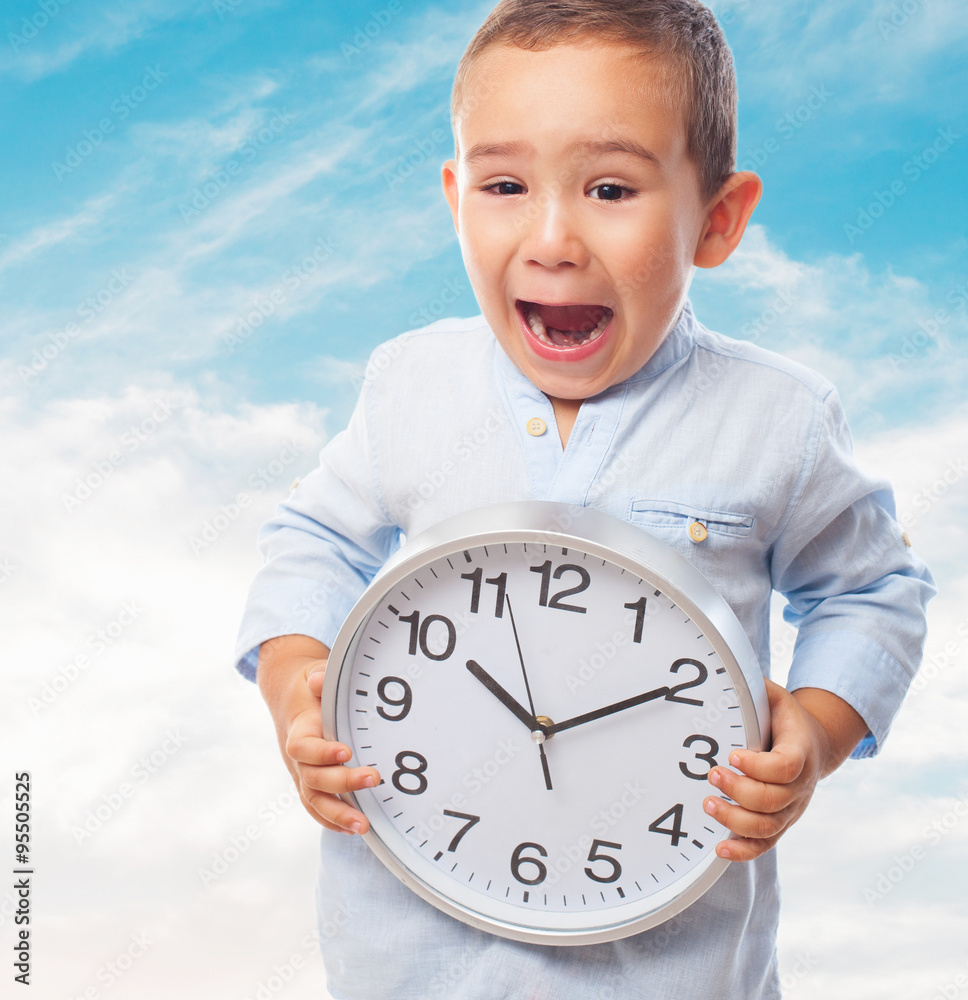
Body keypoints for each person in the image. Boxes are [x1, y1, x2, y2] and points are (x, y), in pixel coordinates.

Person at [234, 1, 934, 996]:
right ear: (454, 198)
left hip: (669, 963)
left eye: (609, 187)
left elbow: (872, 589)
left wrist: (814, 734)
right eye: (505, 184)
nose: (551, 238)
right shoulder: (409, 383)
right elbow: (309, 538)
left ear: (717, 219)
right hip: (408, 949)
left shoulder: (775, 417)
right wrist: (293, 687)